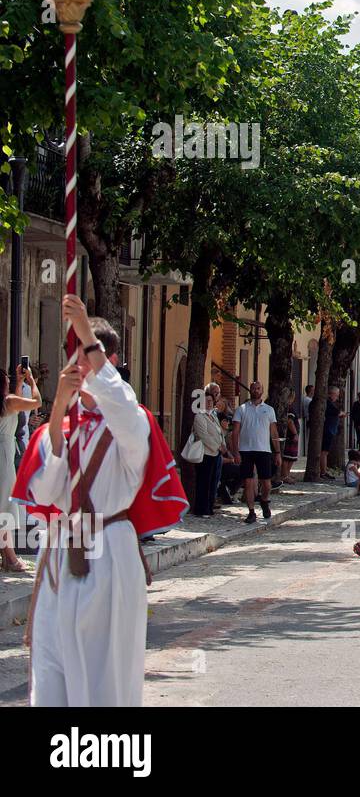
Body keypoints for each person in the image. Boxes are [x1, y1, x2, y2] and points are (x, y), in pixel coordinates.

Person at [12, 295, 186, 705]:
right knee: (51, 669)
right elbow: (46, 490)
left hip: (109, 551)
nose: (81, 367)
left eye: (89, 357)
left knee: (104, 672)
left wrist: (87, 331)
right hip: (59, 553)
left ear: (106, 362)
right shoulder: (65, 426)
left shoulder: (133, 421)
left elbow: (119, 401)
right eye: (76, 356)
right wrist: (56, 408)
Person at [1, 366, 42, 571]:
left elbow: (15, 407)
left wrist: (18, 383)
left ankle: (8, 557)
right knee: (4, 509)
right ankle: (10, 558)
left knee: (3, 508)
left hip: (3, 453)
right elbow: (37, 402)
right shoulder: (8, 402)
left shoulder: (7, 402)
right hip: (4, 458)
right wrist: (32, 381)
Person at [229, 382, 281, 524]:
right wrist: (236, 452)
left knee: (267, 484)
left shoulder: (269, 410)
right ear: (250, 390)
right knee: (248, 481)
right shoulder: (242, 409)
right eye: (253, 388)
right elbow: (235, 432)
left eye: (258, 388)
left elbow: (274, 432)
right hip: (246, 450)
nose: (255, 390)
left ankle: (264, 500)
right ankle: (251, 511)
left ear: (262, 391)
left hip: (264, 450)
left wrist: (277, 452)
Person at [188, 382, 228, 517]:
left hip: (216, 454)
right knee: (204, 483)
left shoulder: (214, 415)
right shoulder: (200, 416)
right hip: (206, 454)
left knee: (213, 482)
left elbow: (219, 432)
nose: (209, 403)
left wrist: (223, 445)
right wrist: (218, 447)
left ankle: (210, 508)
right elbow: (204, 436)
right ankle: (201, 509)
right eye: (207, 401)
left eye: (211, 401)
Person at [279, 411, 299, 481]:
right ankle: (284, 476)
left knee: (291, 457)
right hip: (290, 437)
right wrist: (295, 434)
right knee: (287, 457)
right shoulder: (290, 410)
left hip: (291, 438)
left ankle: (287, 474)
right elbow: (290, 421)